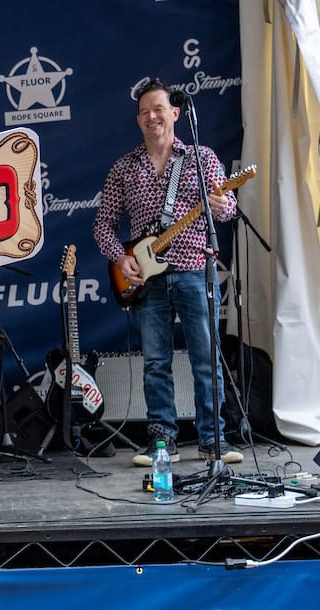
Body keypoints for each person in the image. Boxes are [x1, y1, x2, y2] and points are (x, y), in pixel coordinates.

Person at [93, 78, 243, 468]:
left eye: (158, 109)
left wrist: (223, 201)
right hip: (148, 278)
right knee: (156, 361)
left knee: (206, 358)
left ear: (175, 113)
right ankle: (163, 442)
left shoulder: (201, 157)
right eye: (143, 111)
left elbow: (227, 212)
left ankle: (213, 440)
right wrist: (120, 258)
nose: (151, 116)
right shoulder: (124, 168)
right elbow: (103, 225)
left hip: (195, 268)